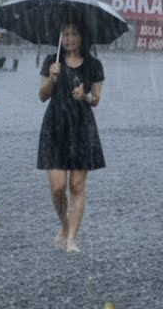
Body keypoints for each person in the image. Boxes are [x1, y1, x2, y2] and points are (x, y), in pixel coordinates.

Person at [37, 16, 105, 253]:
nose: (69, 39)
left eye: (74, 34)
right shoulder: (51, 61)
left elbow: (95, 99)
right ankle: (64, 224)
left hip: (81, 126)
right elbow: (42, 96)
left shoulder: (93, 65)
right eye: (65, 34)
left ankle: (72, 239)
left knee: (76, 186)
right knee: (57, 187)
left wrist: (84, 96)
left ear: (82, 37)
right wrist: (52, 79)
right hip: (55, 125)